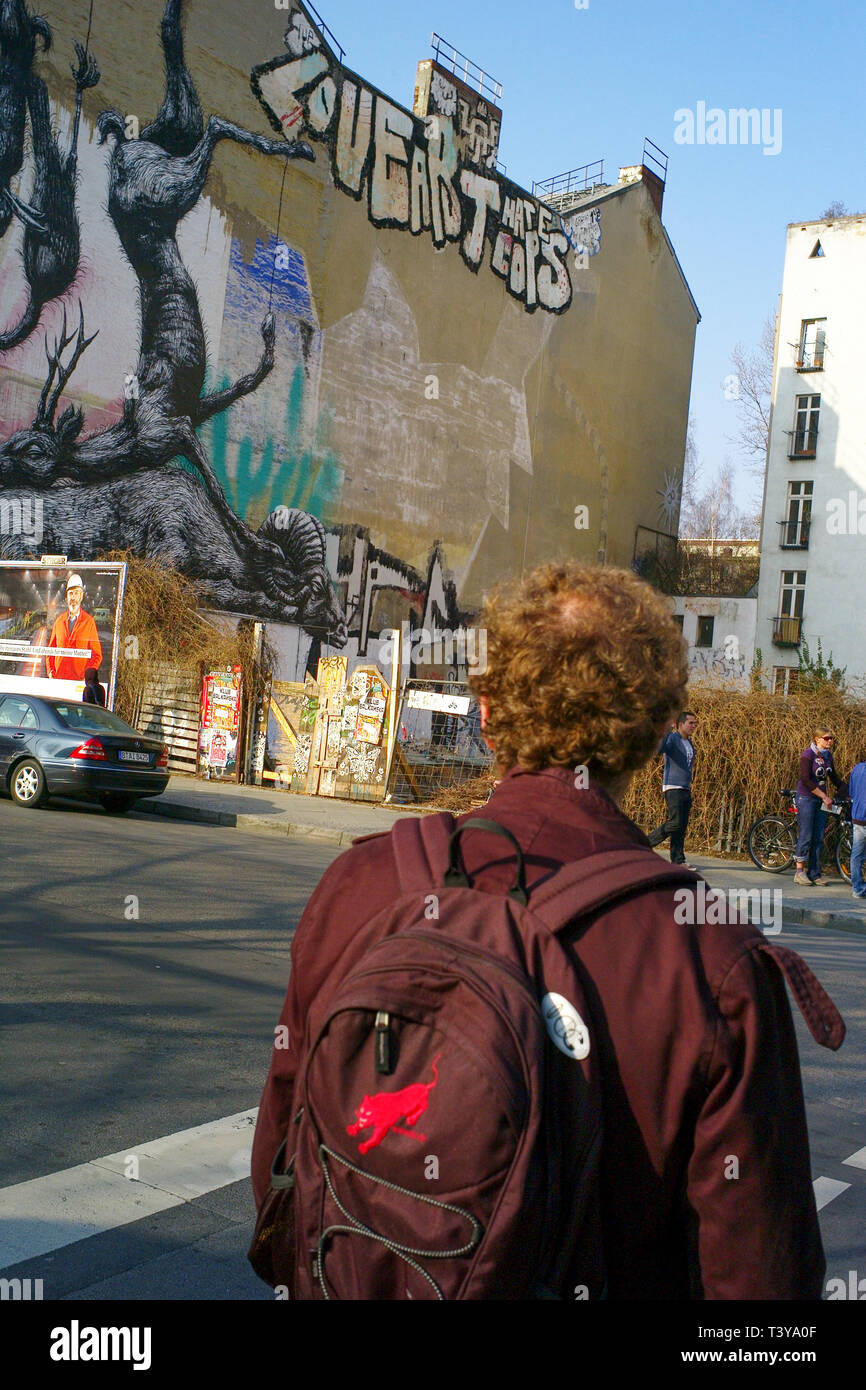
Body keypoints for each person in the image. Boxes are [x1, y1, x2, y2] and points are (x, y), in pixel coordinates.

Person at [251, 562, 840, 1299]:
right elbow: (760, 1285)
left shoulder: (359, 886)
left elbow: (281, 1163)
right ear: (656, 731)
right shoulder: (710, 960)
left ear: (488, 711)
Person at [794, 727, 846, 887]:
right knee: (806, 833)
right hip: (807, 797)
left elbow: (834, 777)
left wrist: (848, 790)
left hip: (821, 800)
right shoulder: (807, 755)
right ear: (817, 739)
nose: (830, 741)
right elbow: (805, 780)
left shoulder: (827, 756)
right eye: (826, 738)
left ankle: (815, 873)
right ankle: (799, 872)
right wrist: (823, 796)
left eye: (831, 738)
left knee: (818, 836)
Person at [646, 711, 698, 866]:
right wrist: (666, 731)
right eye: (691, 723)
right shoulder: (672, 739)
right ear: (680, 724)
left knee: (681, 826)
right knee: (675, 823)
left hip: (685, 788)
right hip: (672, 787)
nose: (694, 726)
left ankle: (678, 860)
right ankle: (644, 844)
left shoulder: (689, 742)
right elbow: (659, 750)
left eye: (695, 723)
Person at [46, 573, 103, 682]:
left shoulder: (88, 622)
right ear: (67, 597)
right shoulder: (59, 622)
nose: (73, 597)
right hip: (58, 679)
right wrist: (51, 672)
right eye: (71, 593)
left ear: (81, 596)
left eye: (76, 593)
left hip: (78, 681)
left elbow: (97, 655)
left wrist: (87, 675)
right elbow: (50, 650)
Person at [845, 752, 866, 898]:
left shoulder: (857, 768)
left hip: (858, 817)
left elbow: (851, 792)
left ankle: (857, 889)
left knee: (857, 855)